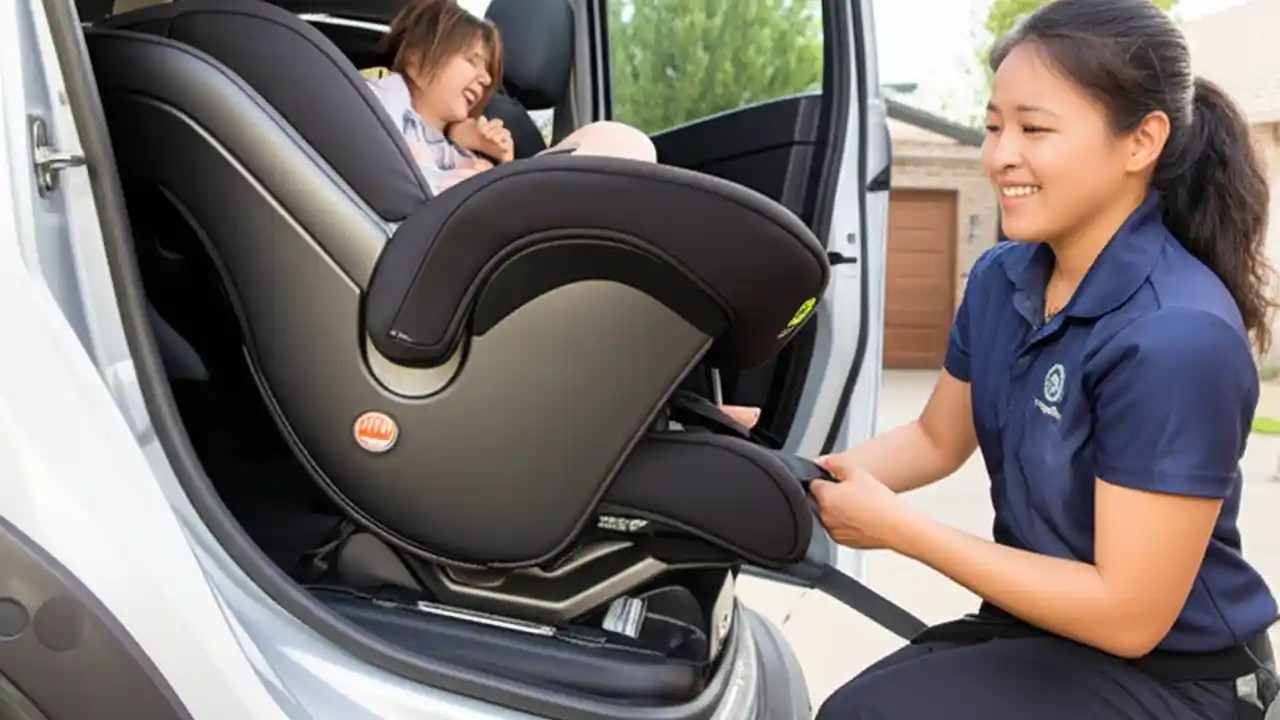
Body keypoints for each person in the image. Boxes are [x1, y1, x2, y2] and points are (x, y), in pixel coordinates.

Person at [809, 1, 1278, 718]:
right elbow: (935, 439)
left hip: (1176, 673)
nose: (1000, 156)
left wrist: (899, 531)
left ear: (1141, 141)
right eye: (994, 126)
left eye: (1034, 129)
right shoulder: (1001, 279)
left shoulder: (1176, 334)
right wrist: (794, 480)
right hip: (1048, 629)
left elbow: (1129, 615)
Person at [366, 0, 656, 197]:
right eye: (472, 60)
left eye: (487, 69)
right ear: (416, 60)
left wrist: (501, 161)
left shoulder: (461, 150)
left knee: (620, 142)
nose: (486, 79)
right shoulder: (375, 104)